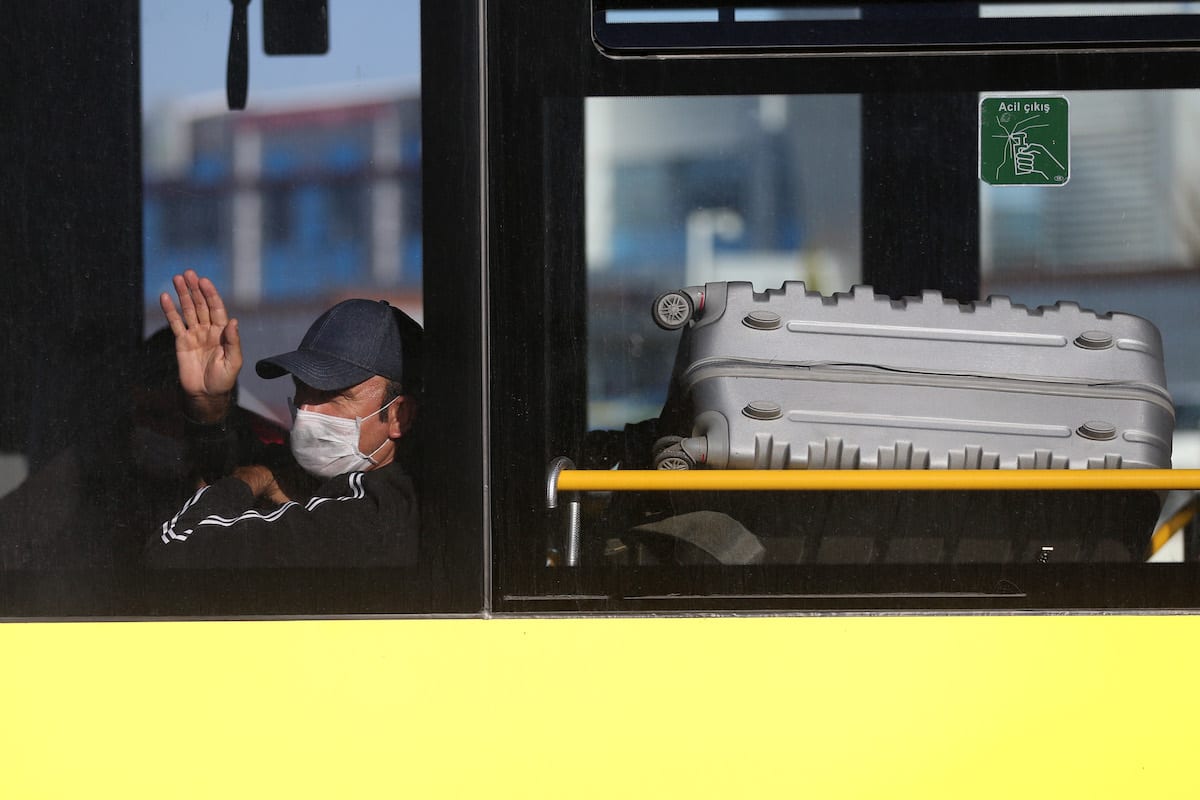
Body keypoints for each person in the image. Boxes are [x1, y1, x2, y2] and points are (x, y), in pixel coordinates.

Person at [146, 270, 422, 567]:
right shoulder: (329, 482)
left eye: (335, 395)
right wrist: (208, 404)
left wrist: (253, 478)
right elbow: (232, 458)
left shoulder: (365, 522)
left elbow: (173, 550)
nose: (307, 411)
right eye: (303, 389)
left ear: (399, 416)